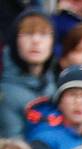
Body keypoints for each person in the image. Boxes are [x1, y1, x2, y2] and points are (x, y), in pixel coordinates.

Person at [0, 8, 56, 140]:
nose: (36, 41)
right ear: (15, 41)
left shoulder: (54, 86)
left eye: (43, 34)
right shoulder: (5, 94)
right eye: (27, 33)